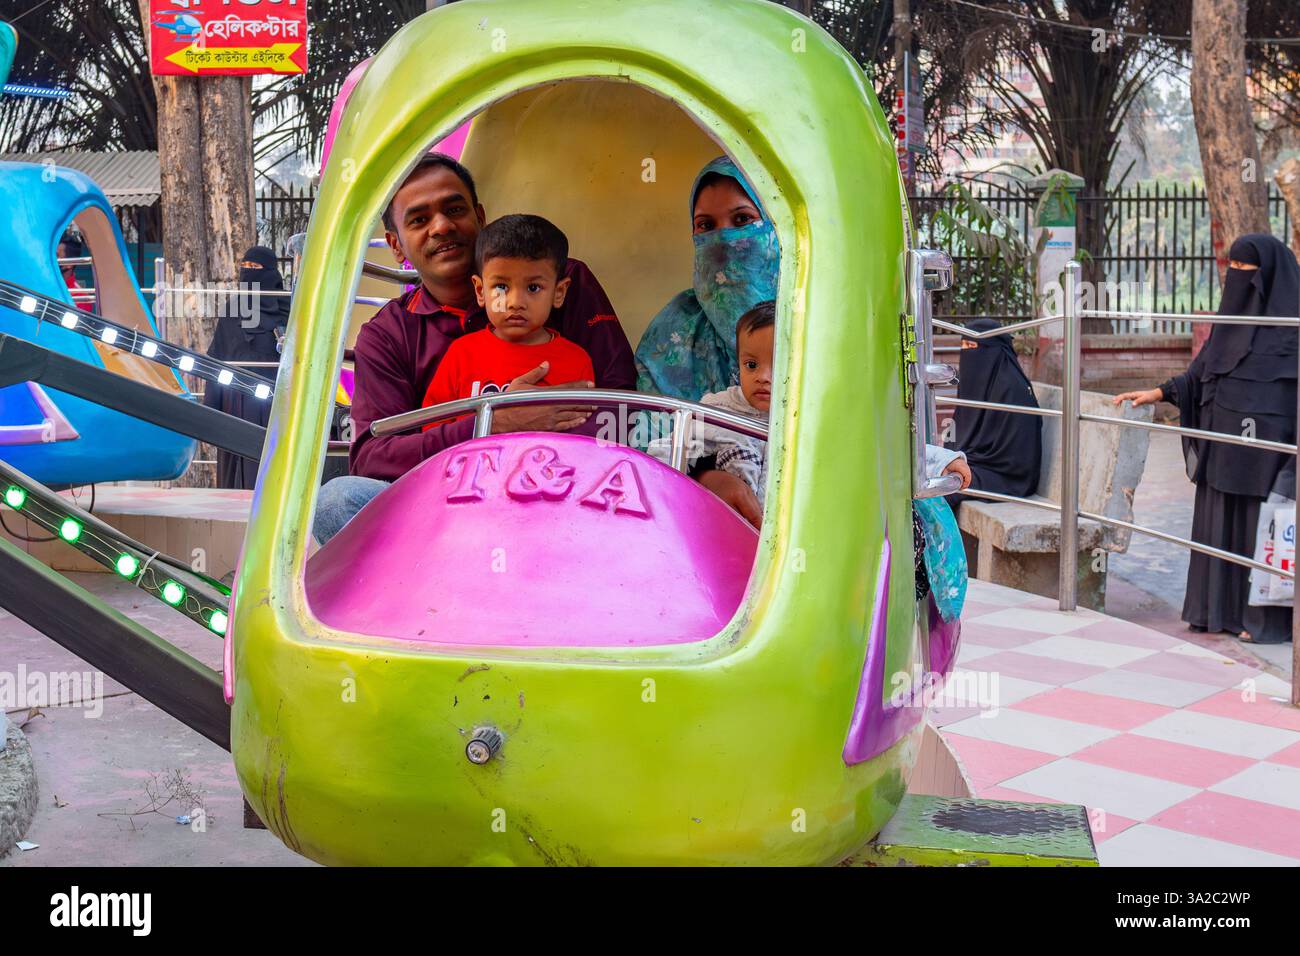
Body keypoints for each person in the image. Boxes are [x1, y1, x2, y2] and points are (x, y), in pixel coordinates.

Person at [313, 153, 636, 543]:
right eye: (419, 219)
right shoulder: (389, 334)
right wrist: (494, 424)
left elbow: (621, 402)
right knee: (337, 502)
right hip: (447, 504)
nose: (442, 226)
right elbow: (373, 457)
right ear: (397, 247)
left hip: (565, 491)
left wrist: (549, 440)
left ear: (479, 217)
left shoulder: (563, 278)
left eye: (454, 209)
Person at [1115, 234, 1299, 644]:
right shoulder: (1231, 322)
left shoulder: (1292, 327)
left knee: (1261, 530)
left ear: (1268, 277)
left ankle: (1263, 621)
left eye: (1244, 270)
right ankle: (1215, 612)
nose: (1234, 278)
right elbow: (1201, 371)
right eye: (1230, 268)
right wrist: (1159, 393)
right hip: (1223, 448)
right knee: (1221, 525)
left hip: (1268, 458)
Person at [421, 214, 594, 426]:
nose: (515, 303)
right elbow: (433, 431)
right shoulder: (462, 354)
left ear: (559, 293)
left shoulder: (576, 361)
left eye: (533, 288)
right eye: (501, 287)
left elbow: (584, 436)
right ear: (480, 290)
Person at [203, 244, 289, 489]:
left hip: (273, 403)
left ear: (270, 272)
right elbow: (217, 356)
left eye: (256, 267)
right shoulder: (233, 309)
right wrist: (213, 410)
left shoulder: (287, 309)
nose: (248, 272)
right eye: (245, 267)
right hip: (236, 401)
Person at [945, 318, 1042, 508]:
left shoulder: (1013, 391)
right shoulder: (982, 383)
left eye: (971, 345)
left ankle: (935, 539)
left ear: (993, 349)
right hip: (977, 464)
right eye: (963, 345)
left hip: (1006, 476)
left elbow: (1017, 461)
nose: (967, 352)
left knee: (944, 489)